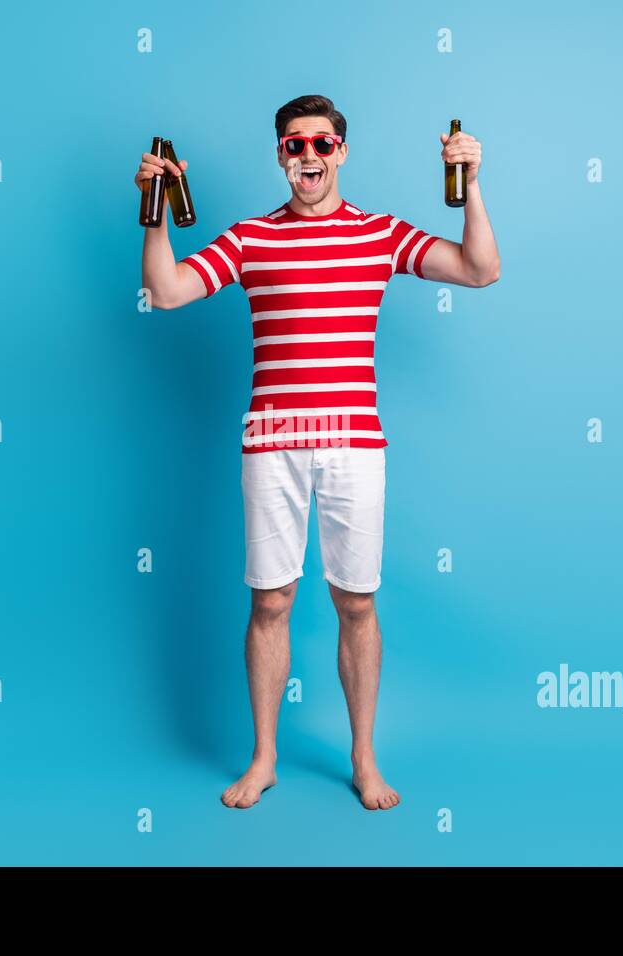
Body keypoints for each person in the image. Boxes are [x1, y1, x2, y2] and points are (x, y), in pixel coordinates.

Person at [134, 94, 500, 810]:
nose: (309, 157)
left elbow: (480, 269)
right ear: (280, 154)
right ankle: (264, 757)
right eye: (295, 145)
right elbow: (168, 291)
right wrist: (151, 208)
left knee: (355, 603)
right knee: (270, 600)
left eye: (322, 145)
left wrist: (473, 184)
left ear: (342, 153)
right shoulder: (249, 240)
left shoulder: (380, 234)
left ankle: (364, 759)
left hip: (354, 443)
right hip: (271, 443)